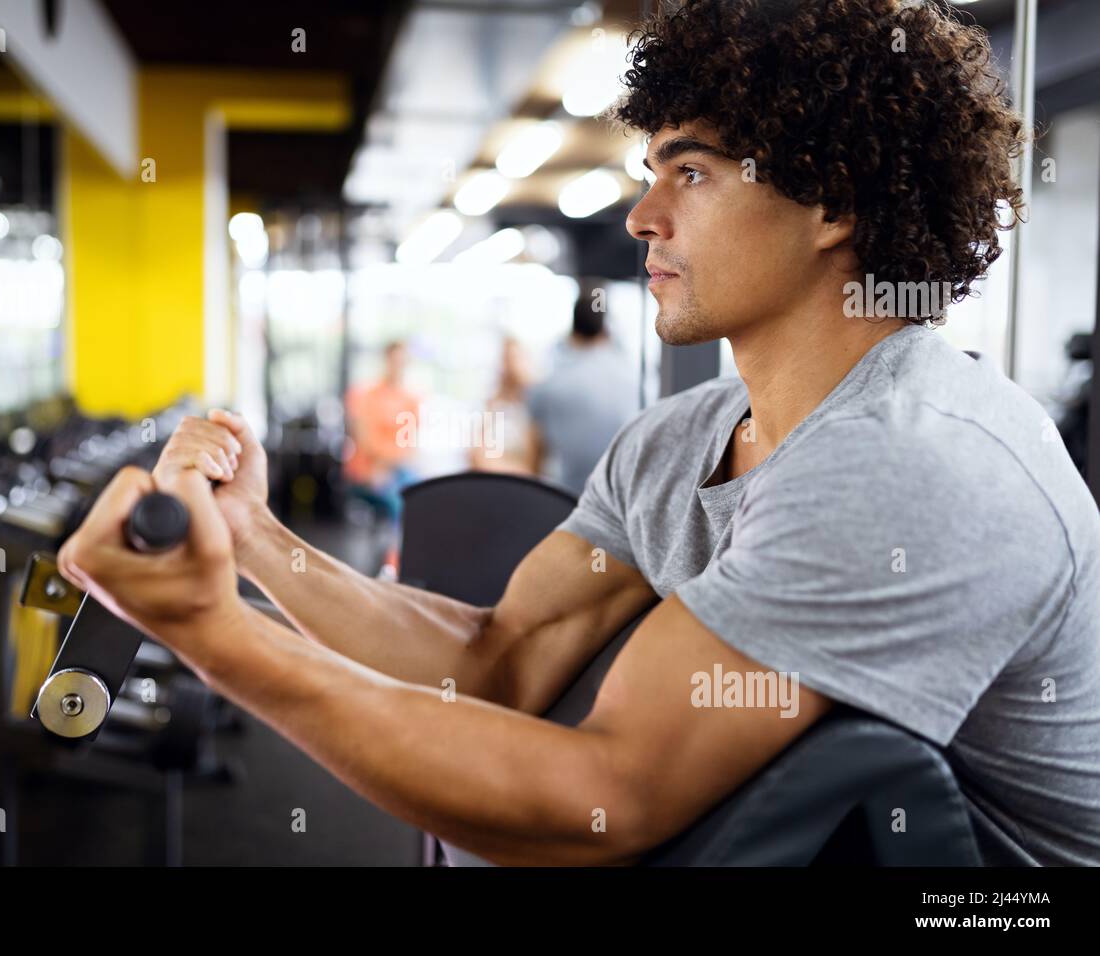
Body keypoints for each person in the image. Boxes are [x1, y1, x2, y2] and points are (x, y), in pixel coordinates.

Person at [55, 0, 1100, 866]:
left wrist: (215, 635)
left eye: (688, 173)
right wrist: (250, 542)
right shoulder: (674, 440)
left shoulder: (913, 460)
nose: (644, 215)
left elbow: (603, 794)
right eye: (648, 173)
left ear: (829, 201)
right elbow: (495, 659)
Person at [526, 285, 640, 493]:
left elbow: (535, 463)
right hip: (624, 499)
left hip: (569, 501)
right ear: (606, 330)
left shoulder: (547, 387)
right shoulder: (636, 379)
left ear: (572, 330)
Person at [342, 340, 420, 523]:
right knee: (397, 502)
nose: (398, 366)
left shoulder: (411, 400)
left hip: (397, 469)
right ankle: (396, 549)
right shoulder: (365, 395)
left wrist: (391, 463)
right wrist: (382, 465)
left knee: (423, 495)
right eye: (395, 360)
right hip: (368, 469)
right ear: (386, 360)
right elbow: (364, 441)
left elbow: (409, 446)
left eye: (402, 361)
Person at [469, 337, 541, 477]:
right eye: (505, 359)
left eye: (515, 358)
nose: (510, 365)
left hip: (522, 481)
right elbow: (476, 452)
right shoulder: (492, 403)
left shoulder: (536, 403)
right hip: (492, 478)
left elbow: (535, 462)